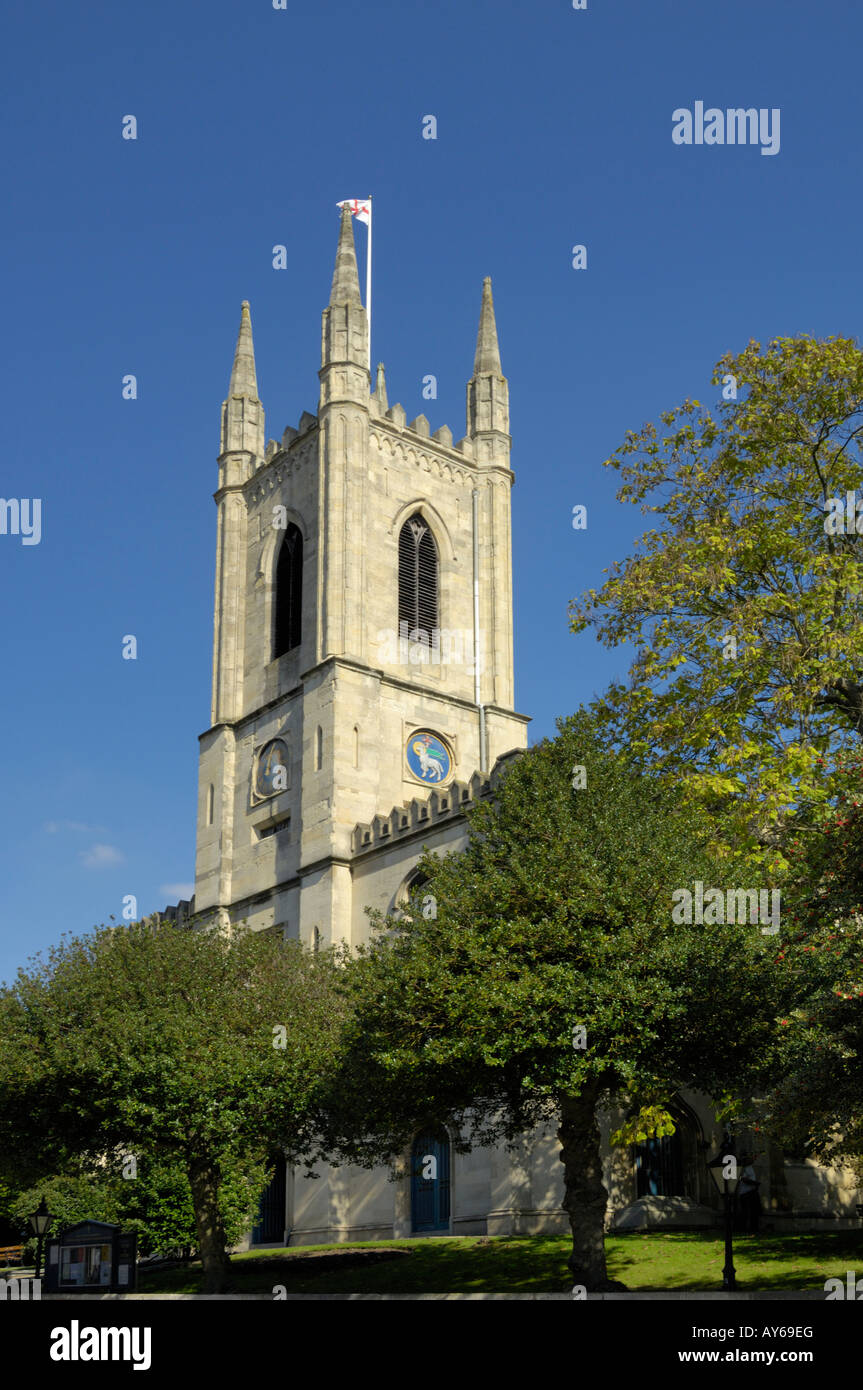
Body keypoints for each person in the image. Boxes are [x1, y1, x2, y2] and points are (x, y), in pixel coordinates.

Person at [736, 1153, 761, 1233]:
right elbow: (743, 1179)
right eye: (750, 1158)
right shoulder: (743, 1168)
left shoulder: (750, 1167)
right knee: (745, 1212)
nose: (753, 1159)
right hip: (745, 1193)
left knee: (754, 1211)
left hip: (752, 1191)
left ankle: (754, 1229)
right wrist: (755, 1183)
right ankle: (743, 1229)